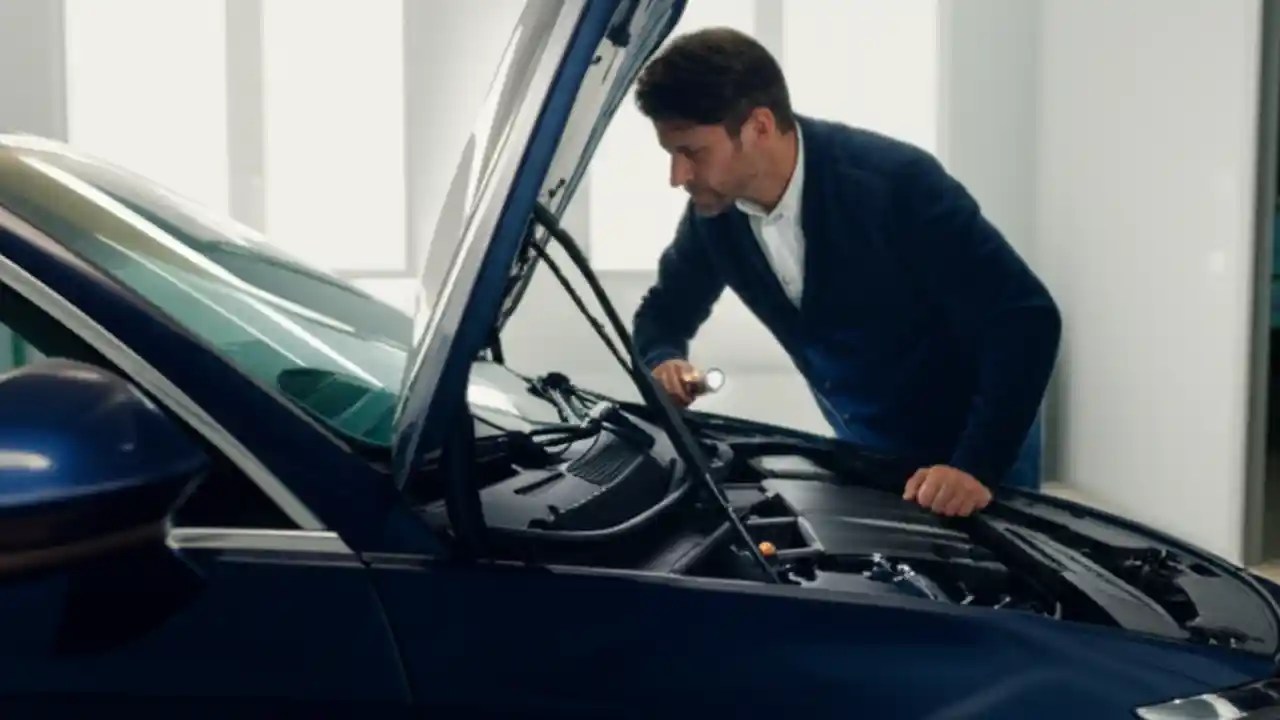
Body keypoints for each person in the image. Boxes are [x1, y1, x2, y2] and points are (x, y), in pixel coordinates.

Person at [630, 28, 1061, 517]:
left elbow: (1025, 318)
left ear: (759, 128)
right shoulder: (714, 217)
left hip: (978, 454)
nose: (676, 176)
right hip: (867, 455)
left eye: (692, 153)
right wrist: (664, 357)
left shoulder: (898, 184)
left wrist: (976, 467)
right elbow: (663, 312)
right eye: (670, 154)